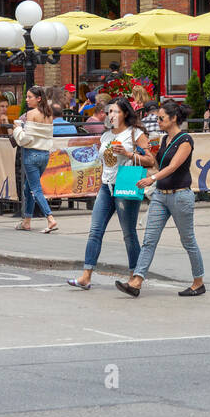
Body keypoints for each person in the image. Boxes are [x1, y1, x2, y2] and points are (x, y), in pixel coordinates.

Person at [116, 100, 205, 298]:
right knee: (149, 240)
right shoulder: (163, 140)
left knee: (188, 240)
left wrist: (152, 179)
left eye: (161, 118)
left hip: (180, 195)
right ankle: (137, 281)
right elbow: (158, 163)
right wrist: (142, 153)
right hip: (160, 196)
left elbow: (173, 166)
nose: (158, 121)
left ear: (173, 118)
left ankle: (198, 281)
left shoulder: (185, 140)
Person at [68, 98, 147, 290]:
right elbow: (105, 161)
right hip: (106, 186)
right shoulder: (106, 136)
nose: (111, 115)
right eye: (109, 112)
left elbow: (150, 160)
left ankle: (134, 277)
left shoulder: (135, 134)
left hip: (125, 186)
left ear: (125, 114)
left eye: (116, 112)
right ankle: (86, 275)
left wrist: (128, 155)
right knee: (95, 230)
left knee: (129, 234)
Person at [12, 86, 60, 233]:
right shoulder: (49, 114)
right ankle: (26, 221)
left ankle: (50, 218)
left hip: (31, 154)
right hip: (44, 154)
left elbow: (25, 140)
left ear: (38, 98)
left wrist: (17, 128)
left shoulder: (31, 114)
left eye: (29, 97)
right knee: (28, 187)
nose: (26, 100)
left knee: (35, 189)